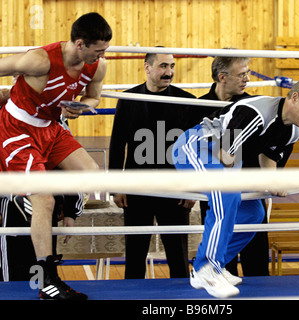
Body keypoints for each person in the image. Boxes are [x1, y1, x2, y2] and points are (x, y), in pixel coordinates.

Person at [172, 78, 299, 298]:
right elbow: (224, 152)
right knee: (227, 193)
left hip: (230, 158)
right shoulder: (255, 113)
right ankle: (205, 267)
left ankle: (216, 265)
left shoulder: (292, 131)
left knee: (254, 213)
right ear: (294, 97)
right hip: (196, 146)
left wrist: (272, 182)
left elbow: (269, 156)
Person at [0, 12, 112, 300]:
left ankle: (38, 198)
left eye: (104, 50)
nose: (102, 55)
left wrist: (83, 106)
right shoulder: (39, 60)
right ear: (79, 44)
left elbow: (94, 96)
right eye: (97, 50)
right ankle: (47, 278)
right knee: (44, 200)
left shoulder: (97, 66)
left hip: (51, 128)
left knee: (91, 175)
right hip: (17, 129)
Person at [109, 52, 196, 279]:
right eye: (163, 66)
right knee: (135, 257)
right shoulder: (128, 99)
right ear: (147, 68)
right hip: (138, 188)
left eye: (172, 66)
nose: (169, 72)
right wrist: (116, 186)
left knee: (179, 257)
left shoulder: (186, 101)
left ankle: (182, 302)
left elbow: (198, 148)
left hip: (175, 189)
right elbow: (118, 144)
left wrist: (194, 188)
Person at [195, 55, 271, 278]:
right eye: (242, 74)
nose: (247, 79)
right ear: (222, 77)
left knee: (256, 262)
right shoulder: (196, 107)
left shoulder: (255, 108)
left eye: (248, 73)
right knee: (219, 260)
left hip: (250, 191)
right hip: (215, 192)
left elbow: (267, 147)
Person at [0, 194, 84, 281]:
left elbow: (72, 180)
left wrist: (70, 213)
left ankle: (48, 285)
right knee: (14, 273)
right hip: (13, 210)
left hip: (48, 209)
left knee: (44, 267)